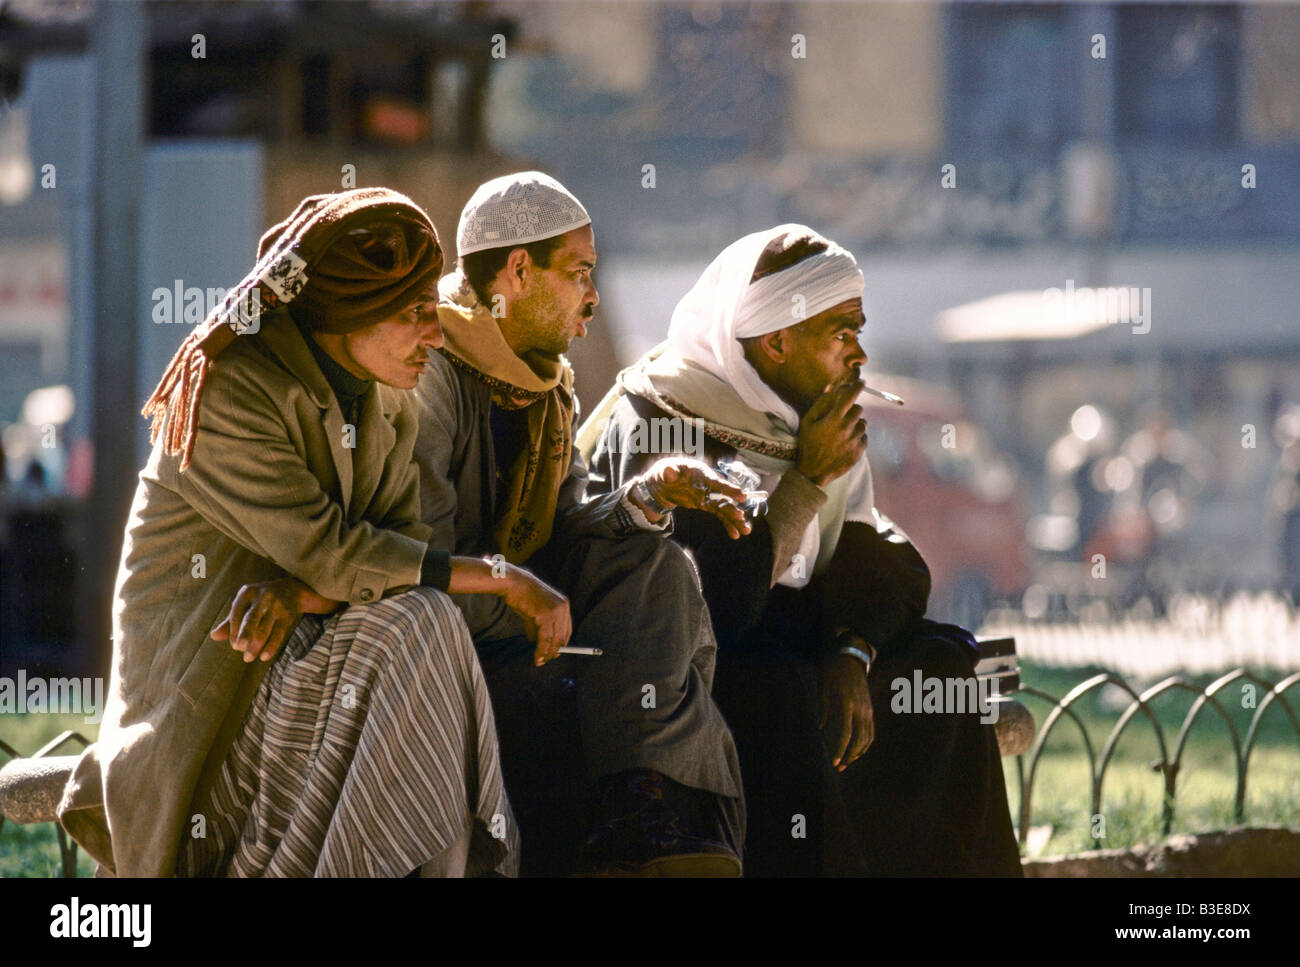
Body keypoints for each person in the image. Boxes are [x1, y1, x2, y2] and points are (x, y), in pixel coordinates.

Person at [56, 188, 573, 877]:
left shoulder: (385, 399)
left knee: (426, 618)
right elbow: (340, 556)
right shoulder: (232, 393)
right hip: (206, 750)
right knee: (418, 620)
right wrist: (505, 578)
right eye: (415, 313)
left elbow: (389, 557)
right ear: (346, 309)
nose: (437, 335)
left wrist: (302, 596)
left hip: (314, 700)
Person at [577, 224, 1023, 876]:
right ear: (777, 340)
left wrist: (853, 649)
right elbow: (717, 606)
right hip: (697, 669)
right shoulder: (664, 417)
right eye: (840, 334)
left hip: (802, 648)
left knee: (944, 666)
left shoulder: (804, 413)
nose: (858, 356)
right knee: (784, 692)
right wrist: (807, 481)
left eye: (859, 331)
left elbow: (888, 558)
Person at [411, 171, 750, 876]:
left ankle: (645, 807)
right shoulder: (429, 374)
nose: (592, 299)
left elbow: (566, 527)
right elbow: (425, 562)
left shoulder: (546, 384)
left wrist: (645, 497)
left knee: (656, 559)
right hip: (443, 615)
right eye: (579, 273)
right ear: (518, 270)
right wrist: (525, 598)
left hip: (521, 608)